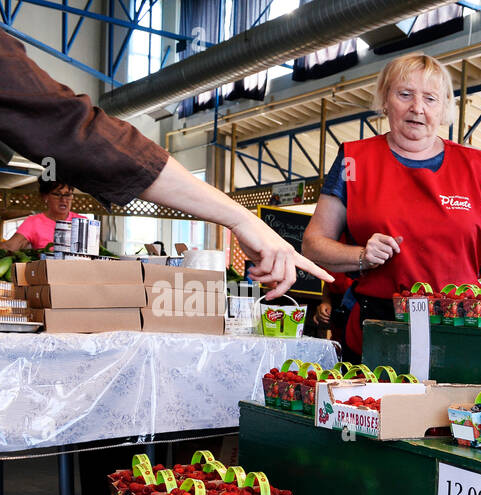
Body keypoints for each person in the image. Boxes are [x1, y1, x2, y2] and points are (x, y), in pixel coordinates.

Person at [0, 29, 328, 297]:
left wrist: (240, 220)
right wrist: (242, 220)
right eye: (59, 194)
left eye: (67, 195)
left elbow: (73, 131)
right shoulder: (33, 224)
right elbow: (75, 131)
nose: (65, 199)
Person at [302, 52, 481, 357]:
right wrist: (360, 256)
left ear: (444, 108)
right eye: (405, 94)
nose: (417, 108)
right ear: (385, 100)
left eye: (430, 98)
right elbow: (312, 244)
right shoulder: (353, 161)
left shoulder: (473, 167)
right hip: (379, 332)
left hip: (459, 331)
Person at [1, 178, 86, 252]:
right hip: (47, 270)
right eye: (57, 194)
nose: (63, 199)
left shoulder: (83, 222)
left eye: (67, 195)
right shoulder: (33, 222)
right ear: (45, 197)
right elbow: (10, 246)